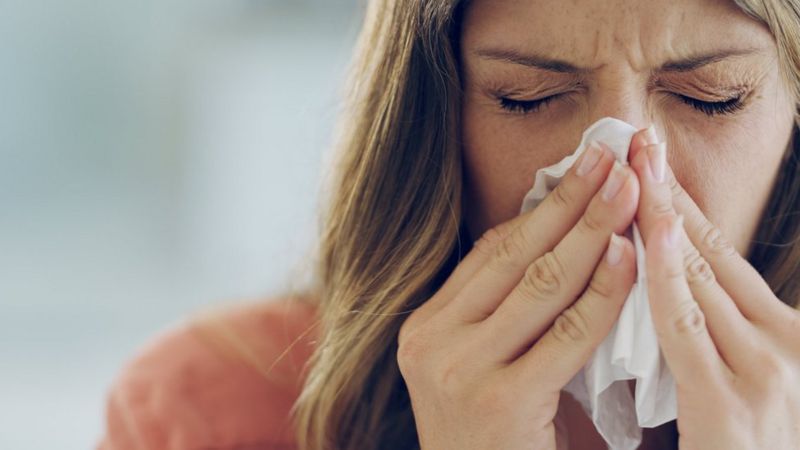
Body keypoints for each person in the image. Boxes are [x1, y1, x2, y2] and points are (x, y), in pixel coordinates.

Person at [97, 0, 800, 449]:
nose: (624, 180)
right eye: (527, 98)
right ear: (430, 117)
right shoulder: (213, 407)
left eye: (713, 99)